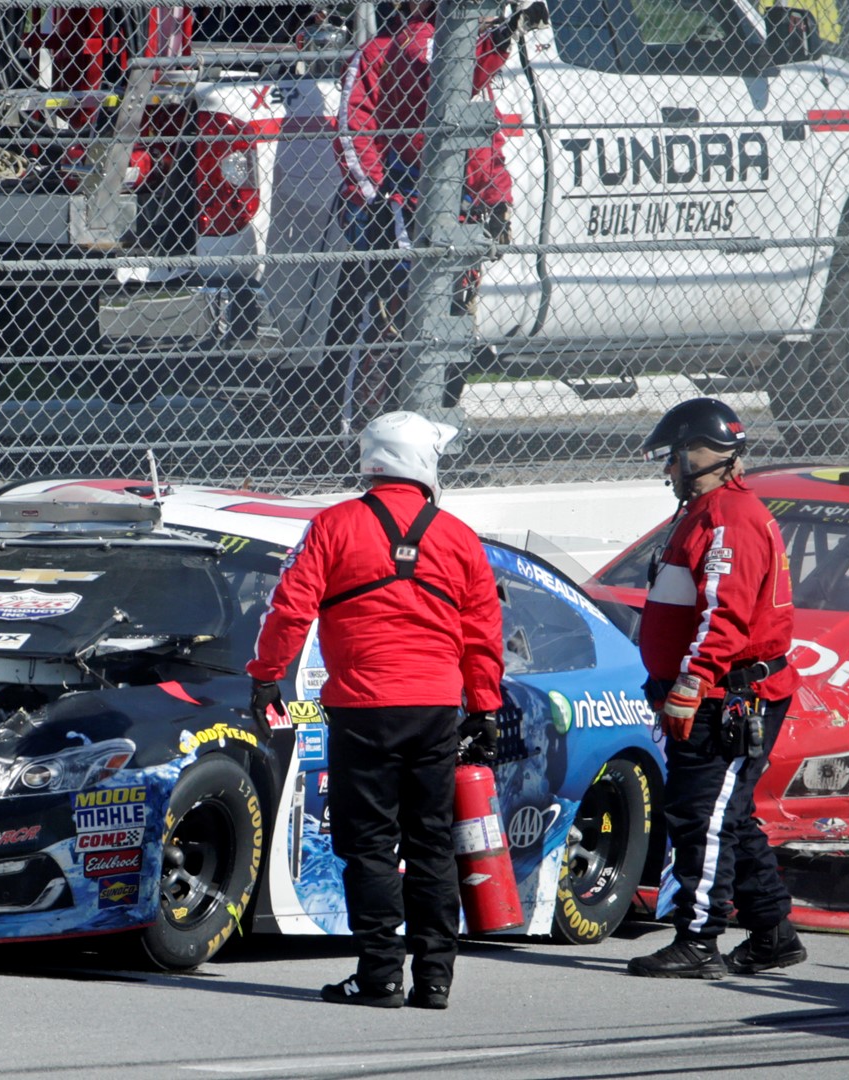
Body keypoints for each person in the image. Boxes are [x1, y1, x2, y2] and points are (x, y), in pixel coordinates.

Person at [247, 411, 504, 1009]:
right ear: (422, 462)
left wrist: (266, 678)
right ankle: (436, 978)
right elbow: (484, 633)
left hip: (362, 708)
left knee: (369, 846)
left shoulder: (333, 525)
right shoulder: (459, 536)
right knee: (432, 843)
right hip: (437, 707)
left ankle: (380, 974)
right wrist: (485, 708)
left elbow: (289, 610)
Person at [627, 398, 808, 980]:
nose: (669, 471)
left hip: (728, 695)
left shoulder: (728, 519)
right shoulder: (708, 512)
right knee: (725, 813)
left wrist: (692, 681)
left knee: (699, 815)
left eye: (674, 458)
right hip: (716, 691)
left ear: (699, 454)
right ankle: (773, 932)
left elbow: (723, 617)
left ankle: (697, 939)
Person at [322, 1, 521, 433]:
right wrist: (373, 197)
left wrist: (495, 199)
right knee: (385, 324)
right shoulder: (381, 52)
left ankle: (427, 434)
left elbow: (480, 137)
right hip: (395, 203)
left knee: (446, 323)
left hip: (450, 210)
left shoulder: (462, 58)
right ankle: (362, 434)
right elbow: (354, 126)